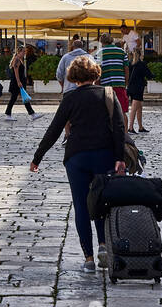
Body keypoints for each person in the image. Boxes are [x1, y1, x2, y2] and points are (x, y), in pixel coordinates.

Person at [29, 54, 127, 273]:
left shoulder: (70, 98)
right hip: (104, 155)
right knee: (103, 201)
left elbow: (54, 129)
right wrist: (120, 158)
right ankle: (103, 244)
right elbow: (120, 127)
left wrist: (38, 157)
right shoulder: (108, 94)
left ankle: (89, 259)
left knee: (81, 205)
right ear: (95, 73)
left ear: (73, 76)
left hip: (77, 157)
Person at [2, 45, 37, 121]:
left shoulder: (19, 59)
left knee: (22, 97)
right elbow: (16, 71)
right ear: (19, 51)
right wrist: (18, 82)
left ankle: (32, 113)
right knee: (15, 98)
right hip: (17, 82)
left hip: (19, 81)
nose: (25, 53)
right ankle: (31, 114)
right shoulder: (17, 59)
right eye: (23, 51)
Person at [96, 35, 129, 114]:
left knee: (106, 112)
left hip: (105, 86)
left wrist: (97, 85)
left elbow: (97, 70)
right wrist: (125, 83)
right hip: (120, 84)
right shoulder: (122, 52)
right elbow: (126, 69)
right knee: (122, 112)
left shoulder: (100, 52)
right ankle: (124, 127)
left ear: (101, 42)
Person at [126, 51, 149, 134]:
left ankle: (140, 127)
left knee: (139, 107)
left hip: (130, 87)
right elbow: (148, 74)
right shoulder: (141, 64)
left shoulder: (129, 63)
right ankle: (130, 127)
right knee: (134, 108)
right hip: (138, 88)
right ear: (140, 55)